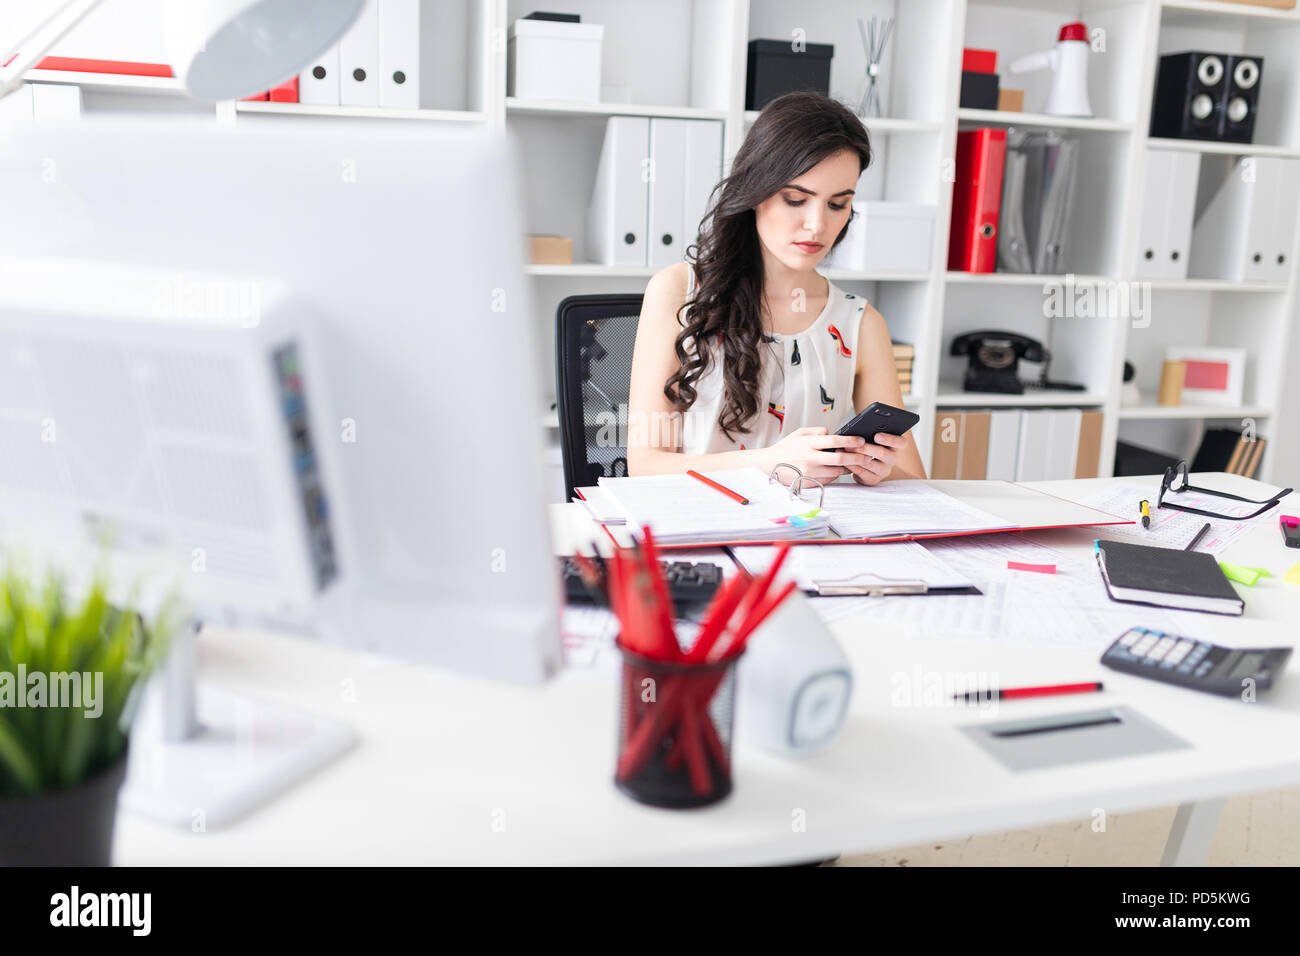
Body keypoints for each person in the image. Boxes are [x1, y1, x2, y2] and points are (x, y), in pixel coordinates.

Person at [627, 91, 926, 486]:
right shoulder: (678, 292)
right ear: (756, 191)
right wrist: (769, 464)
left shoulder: (860, 322)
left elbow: (914, 479)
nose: (817, 225)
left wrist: (881, 470)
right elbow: (645, 463)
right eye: (796, 199)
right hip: (707, 533)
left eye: (838, 205)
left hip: (815, 536)